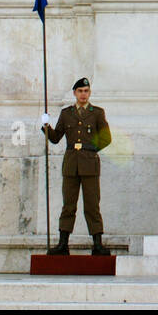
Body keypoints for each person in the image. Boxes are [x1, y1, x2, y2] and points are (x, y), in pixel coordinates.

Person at [41, 77, 111, 255]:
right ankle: (63, 244)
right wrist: (46, 126)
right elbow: (56, 138)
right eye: (80, 91)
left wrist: (90, 149)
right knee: (68, 205)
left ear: (89, 93)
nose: (83, 95)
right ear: (74, 93)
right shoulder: (67, 114)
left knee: (92, 205)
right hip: (71, 165)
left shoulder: (97, 113)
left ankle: (97, 244)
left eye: (86, 91)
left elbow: (106, 138)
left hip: (89, 165)